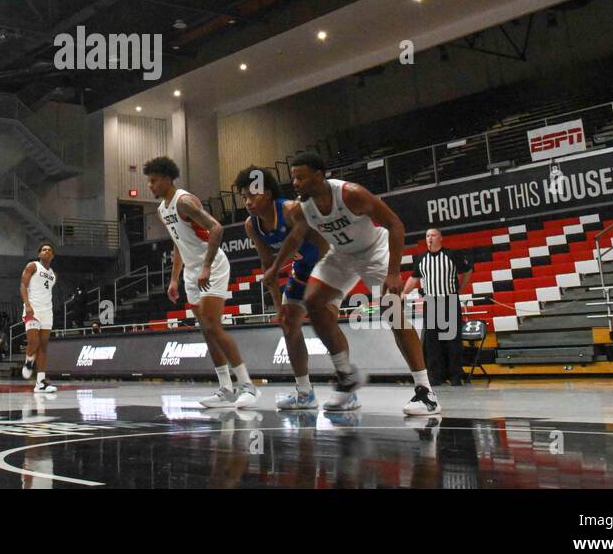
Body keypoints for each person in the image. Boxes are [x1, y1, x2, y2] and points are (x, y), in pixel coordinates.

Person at [273, 153, 440, 417]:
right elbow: (297, 237)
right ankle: (346, 375)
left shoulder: (351, 194)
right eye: (293, 177)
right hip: (342, 255)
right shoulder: (301, 208)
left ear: (319, 176)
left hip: (374, 252)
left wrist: (394, 272)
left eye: (300, 177)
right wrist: (274, 268)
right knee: (313, 302)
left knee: (393, 314)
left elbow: (395, 224)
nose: (295, 183)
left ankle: (426, 391)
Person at [144, 155, 258, 409]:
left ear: (165, 178)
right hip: (191, 271)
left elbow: (217, 228)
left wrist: (206, 265)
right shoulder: (163, 209)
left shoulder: (184, 201)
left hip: (213, 265)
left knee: (213, 325)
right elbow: (178, 242)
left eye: (152, 181)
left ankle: (247, 385)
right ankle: (226, 389)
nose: (149, 186)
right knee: (206, 330)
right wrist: (174, 279)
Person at [235, 166, 323, 411]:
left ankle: (347, 388)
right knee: (289, 325)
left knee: (325, 321)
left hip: (327, 264)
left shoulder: (290, 209)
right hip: (303, 267)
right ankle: (305, 392)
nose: (248, 202)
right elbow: (267, 266)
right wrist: (277, 306)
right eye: (244, 198)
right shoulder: (251, 225)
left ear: (270, 194)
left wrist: (331, 279)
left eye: (253, 195)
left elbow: (323, 243)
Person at [401, 228, 474, 386]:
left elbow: (467, 272)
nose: (430, 238)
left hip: (449, 300)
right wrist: (402, 293)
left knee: (452, 340)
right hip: (431, 302)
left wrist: (459, 290)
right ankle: (435, 376)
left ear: (440, 238)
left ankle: (455, 376)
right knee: (432, 341)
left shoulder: (452, 255)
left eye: (433, 235)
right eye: (427, 235)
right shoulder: (421, 258)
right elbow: (414, 278)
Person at [20, 242, 58, 393]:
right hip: (33, 309)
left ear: (52, 255)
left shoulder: (54, 275)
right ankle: (29, 361)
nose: (46, 251)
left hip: (47, 311)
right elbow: (23, 285)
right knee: (33, 341)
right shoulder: (32, 266)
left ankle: (40, 382)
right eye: (43, 250)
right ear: (39, 254)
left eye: (49, 250)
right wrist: (27, 305)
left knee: (43, 346)